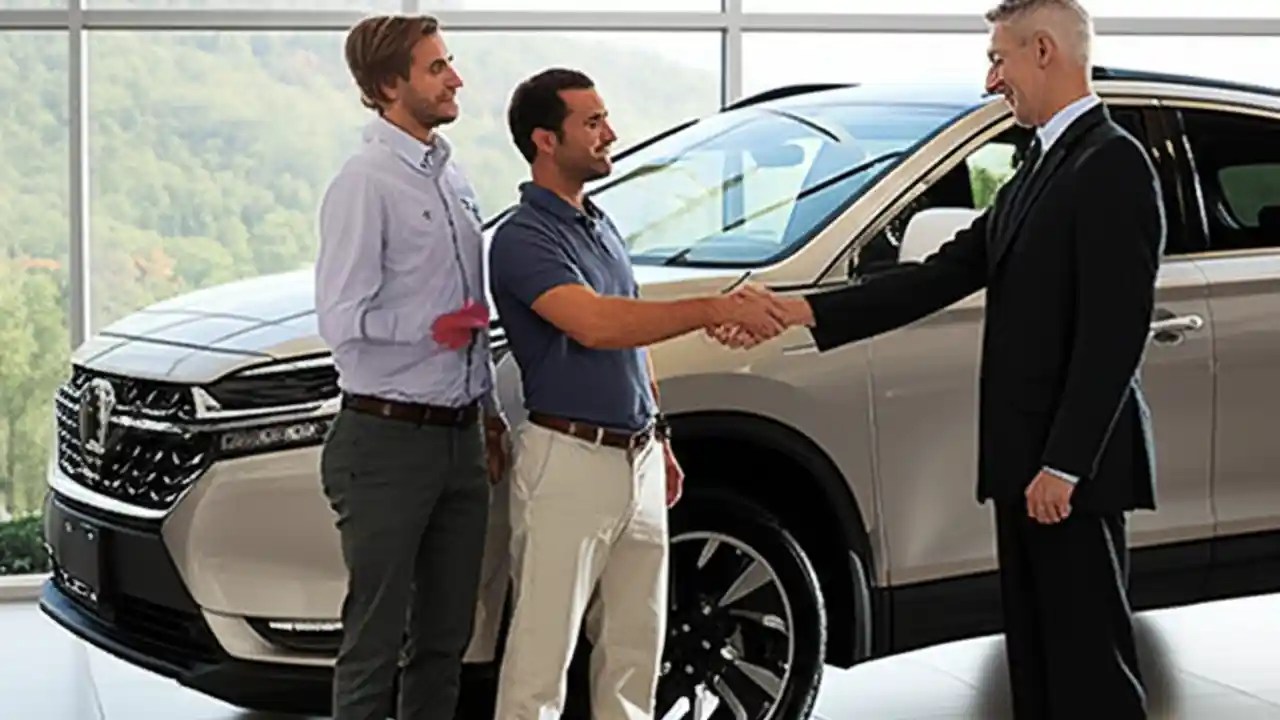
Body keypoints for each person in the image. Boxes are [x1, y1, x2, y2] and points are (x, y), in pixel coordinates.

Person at [718, 1, 1162, 717]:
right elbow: (943, 273)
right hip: (1027, 463)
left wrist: (1066, 464)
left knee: (1090, 669)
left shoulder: (1112, 163)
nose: (992, 80)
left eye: (999, 58)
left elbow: (1115, 335)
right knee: (1040, 664)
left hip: (1068, 471)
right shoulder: (1043, 165)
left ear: (1043, 50)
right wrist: (802, 309)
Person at [486, 68, 788, 720]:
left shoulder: (598, 224)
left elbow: (630, 331)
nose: (610, 133)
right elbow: (595, 325)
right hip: (567, 463)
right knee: (540, 666)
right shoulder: (521, 238)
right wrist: (712, 308)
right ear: (545, 139)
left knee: (635, 656)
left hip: (640, 460)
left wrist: (663, 436)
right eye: (591, 123)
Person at [313, 14, 510, 720]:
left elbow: (473, 309)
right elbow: (340, 320)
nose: (455, 77)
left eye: (449, 62)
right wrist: (430, 331)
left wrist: (486, 413)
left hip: (460, 440)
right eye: (436, 68)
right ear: (388, 85)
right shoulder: (364, 183)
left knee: (446, 639)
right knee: (373, 640)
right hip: (386, 442)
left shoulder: (450, 174)